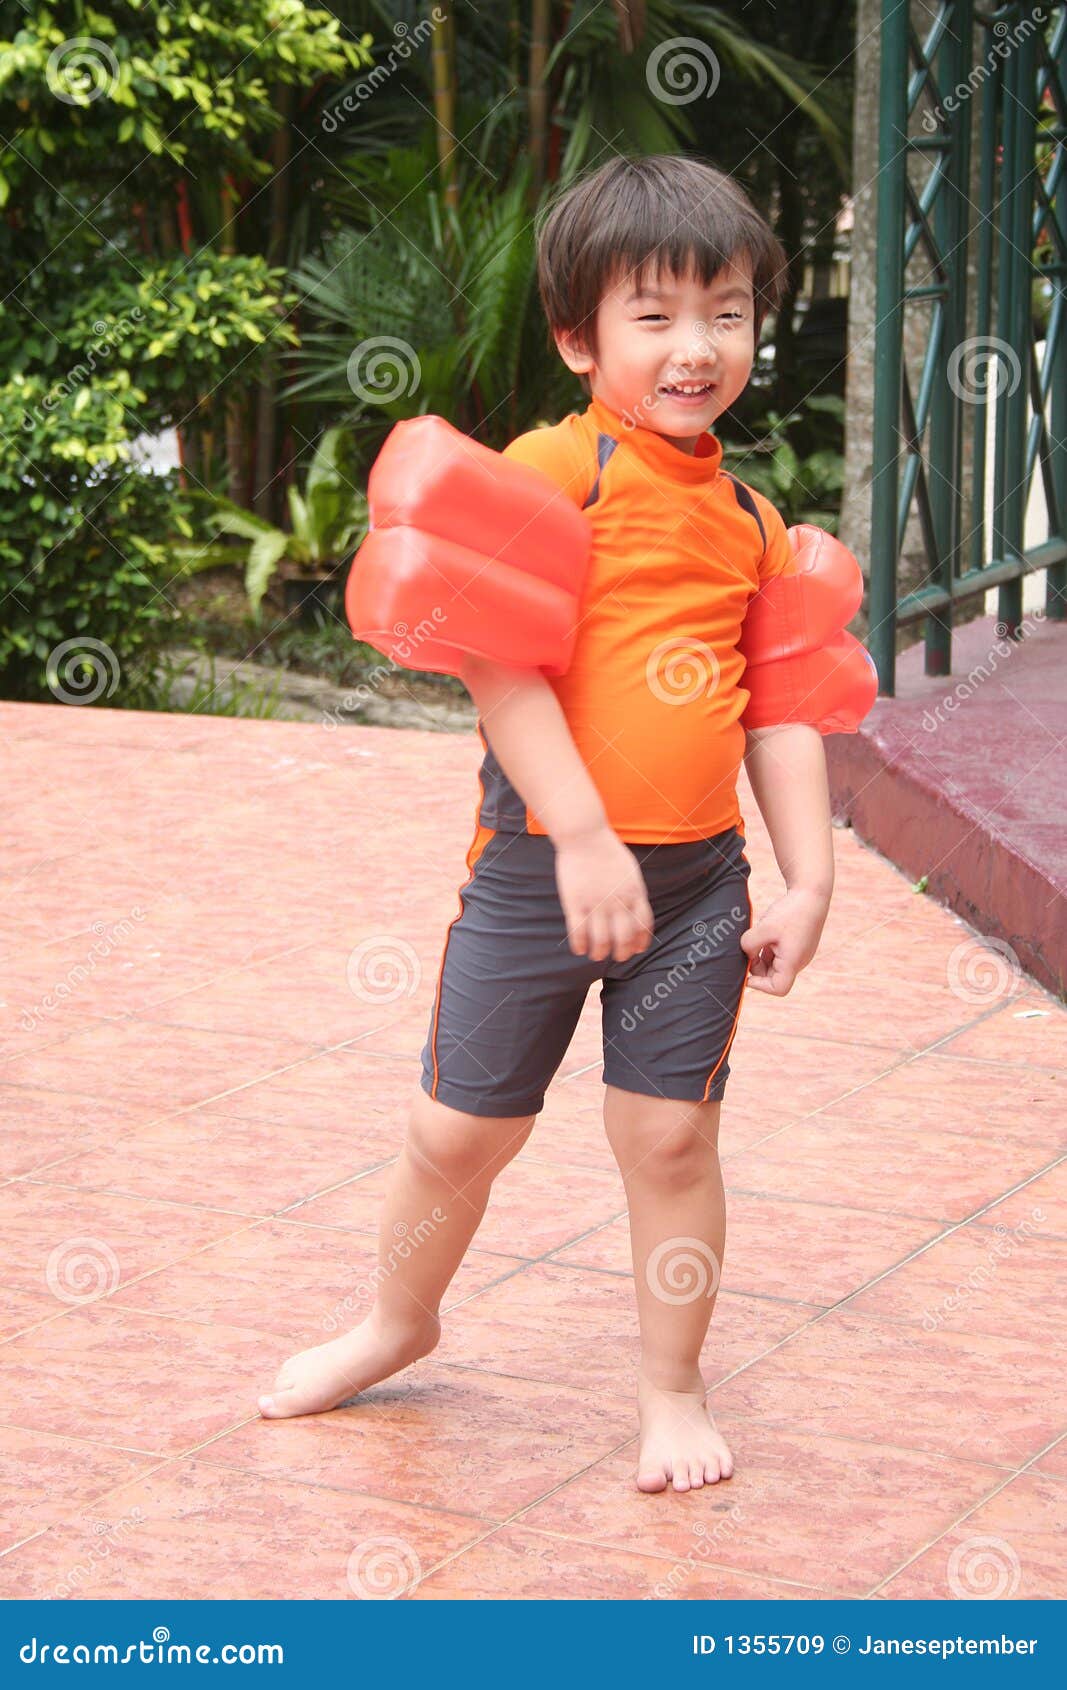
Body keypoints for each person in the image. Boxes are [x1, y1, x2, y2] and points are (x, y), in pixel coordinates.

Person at [257, 154, 836, 1493]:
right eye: (656, 314)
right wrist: (578, 832)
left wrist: (806, 878)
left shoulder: (752, 521)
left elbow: (783, 708)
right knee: (461, 1131)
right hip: (537, 864)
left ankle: (671, 1387)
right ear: (579, 337)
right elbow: (500, 667)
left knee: (672, 1135)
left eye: (729, 312)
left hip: (696, 885)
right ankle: (399, 1316)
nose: (697, 346)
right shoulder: (552, 471)